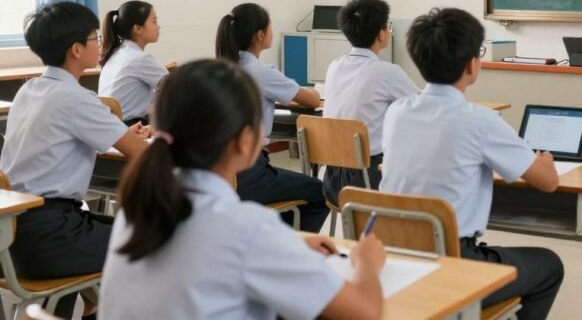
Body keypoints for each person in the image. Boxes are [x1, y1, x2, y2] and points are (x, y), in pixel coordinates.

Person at [101, 59, 385, 320]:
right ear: (244, 140)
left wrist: (286, 248)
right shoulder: (246, 227)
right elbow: (366, 311)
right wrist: (366, 263)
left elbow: (208, 255)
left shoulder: (139, 208)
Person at [381, 7, 564, 320]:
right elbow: (548, 183)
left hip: (394, 258)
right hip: (453, 264)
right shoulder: (479, 120)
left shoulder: (397, 111)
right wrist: (544, 161)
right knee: (549, 266)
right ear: (472, 65)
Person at [1, 2, 149, 319]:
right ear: (76, 49)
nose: (101, 43)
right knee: (153, 242)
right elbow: (143, 154)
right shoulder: (78, 99)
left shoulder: (29, 90)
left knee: (114, 240)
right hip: (51, 238)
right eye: (95, 38)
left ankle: (90, 306)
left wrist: (119, 132)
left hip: (12, 238)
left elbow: (59, 142)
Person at [216, 3, 329, 233]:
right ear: (259, 35)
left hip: (220, 172)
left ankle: (272, 240)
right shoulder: (261, 72)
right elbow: (311, 101)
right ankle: (289, 248)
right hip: (249, 173)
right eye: (270, 28)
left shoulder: (219, 68)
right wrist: (317, 92)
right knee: (320, 191)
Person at [322, 0, 418, 204]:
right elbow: (423, 106)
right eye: (388, 26)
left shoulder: (335, 66)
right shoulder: (386, 72)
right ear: (381, 35)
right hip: (369, 180)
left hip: (332, 181)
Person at [99, 0, 169, 124]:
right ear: (137, 28)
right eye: (154, 21)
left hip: (113, 125)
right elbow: (175, 86)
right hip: (131, 126)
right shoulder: (139, 58)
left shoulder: (117, 53)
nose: (158, 26)